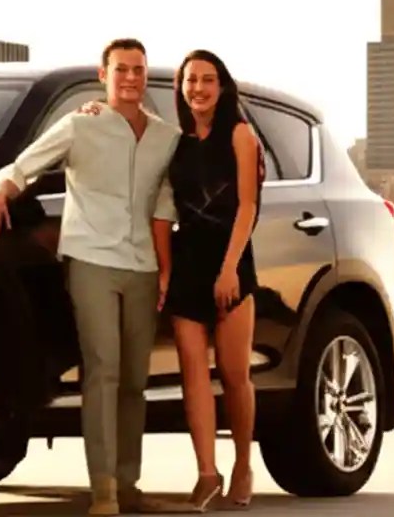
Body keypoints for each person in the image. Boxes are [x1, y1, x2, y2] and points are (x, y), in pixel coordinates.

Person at [0, 38, 182, 516]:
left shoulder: (166, 137)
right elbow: (28, 163)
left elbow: (165, 205)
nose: (130, 78)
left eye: (138, 70)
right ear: (103, 75)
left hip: (144, 266)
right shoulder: (80, 125)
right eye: (121, 69)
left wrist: (165, 268)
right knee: (102, 369)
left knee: (134, 380)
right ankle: (103, 490)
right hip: (90, 260)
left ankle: (128, 485)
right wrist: (2, 191)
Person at [79, 49, 264, 511]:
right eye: (190, 80)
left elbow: (248, 206)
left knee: (235, 375)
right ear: (180, 88)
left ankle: (243, 464)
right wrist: (165, 271)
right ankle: (207, 474)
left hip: (231, 265)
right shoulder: (176, 143)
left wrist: (229, 270)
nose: (198, 88)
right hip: (188, 266)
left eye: (207, 79)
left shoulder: (240, 135)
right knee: (193, 377)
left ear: (222, 86)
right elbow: (161, 210)